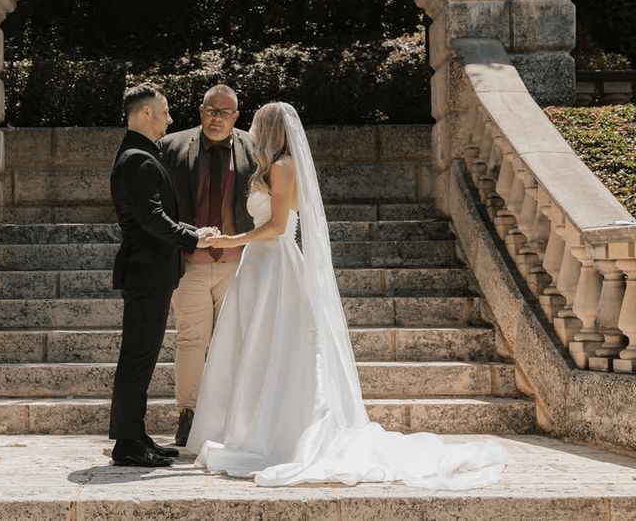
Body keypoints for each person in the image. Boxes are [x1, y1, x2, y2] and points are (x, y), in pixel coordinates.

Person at [185, 102, 508, 488]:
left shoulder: (285, 166)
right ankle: (247, 424)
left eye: (255, 124)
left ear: (268, 128)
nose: (251, 130)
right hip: (256, 266)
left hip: (276, 265)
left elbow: (276, 225)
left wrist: (231, 239)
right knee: (254, 346)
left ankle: (280, 433)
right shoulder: (267, 168)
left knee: (278, 347)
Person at [108, 83, 217, 468]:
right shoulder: (137, 158)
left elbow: (155, 216)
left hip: (151, 271)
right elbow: (151, 218)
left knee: (143, 356)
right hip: (145, 272)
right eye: (165, 111)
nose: (171, 119)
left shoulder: (139, 154)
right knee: (137, 358)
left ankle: (135, 436)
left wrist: (191, 233)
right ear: (146, 113)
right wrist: (193, 236)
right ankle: (126, 443)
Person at [158, 84, 257, 447]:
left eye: (225, 112)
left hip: (237, 264)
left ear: (236, 116)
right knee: (191, 339)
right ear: (200, 111)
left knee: (233, 341)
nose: (217, 118)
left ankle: (230, 417)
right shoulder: (171, 147)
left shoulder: (253, 147)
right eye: (211, 111)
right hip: (189, 262)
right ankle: (189, 414)